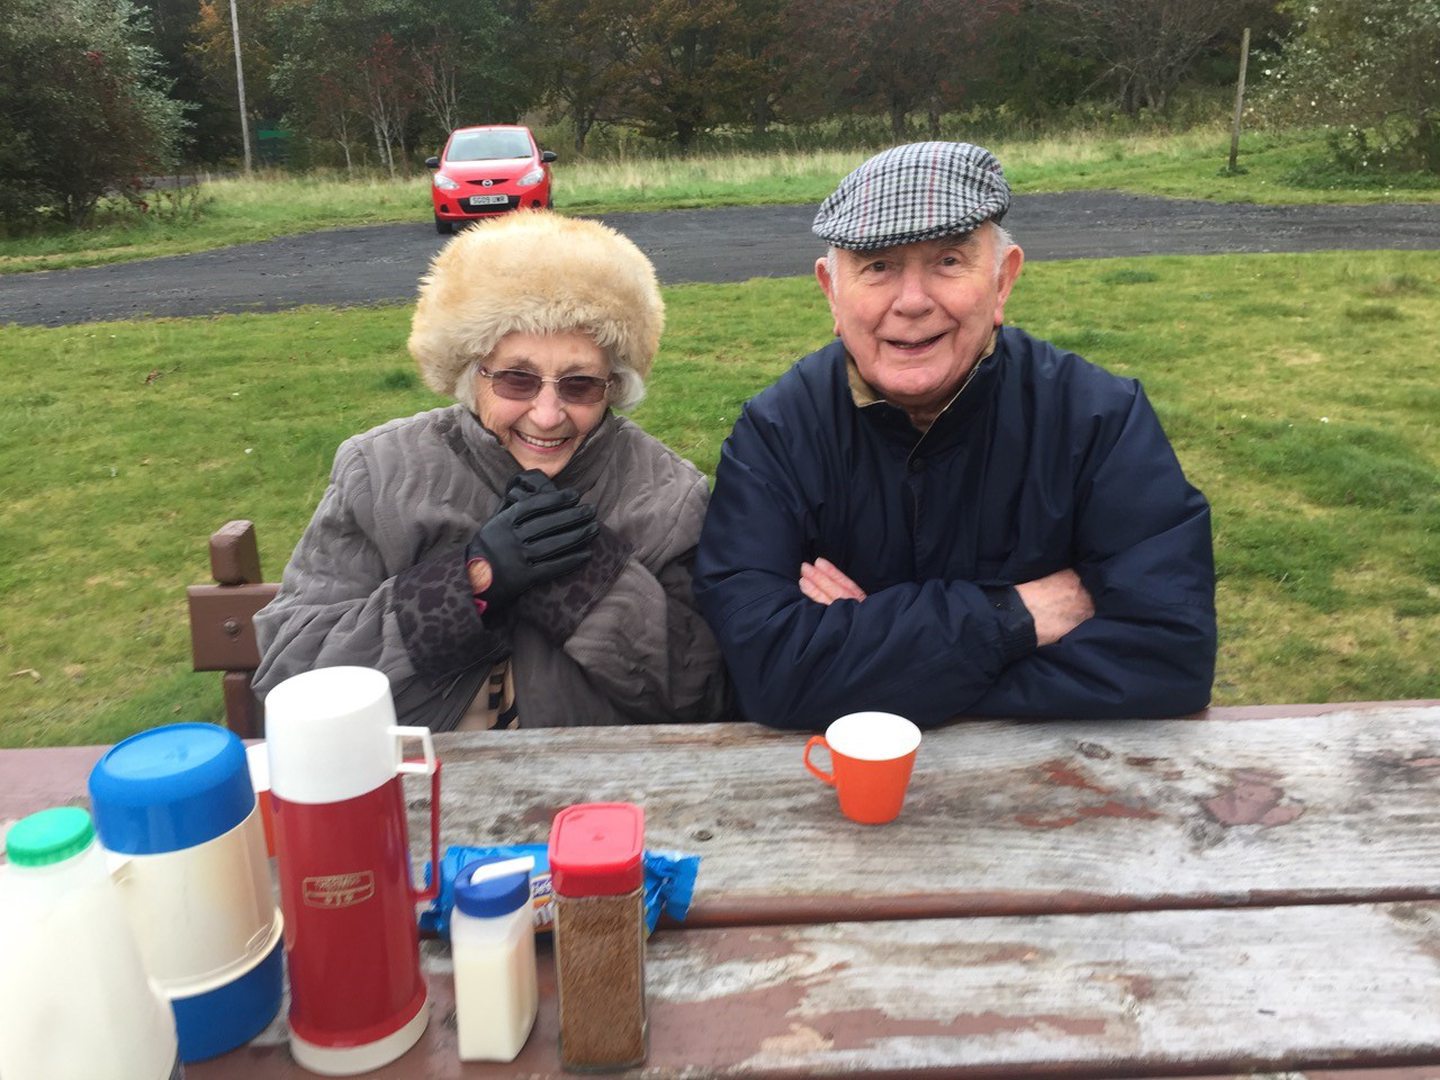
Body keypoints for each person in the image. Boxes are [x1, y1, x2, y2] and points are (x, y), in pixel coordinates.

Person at [694, 141, 1216, 730]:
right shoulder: (776, 435)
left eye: (947, 260)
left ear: (1003, 281)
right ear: (831, 292)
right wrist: (1016, 618)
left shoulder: (1100, 421)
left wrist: (875, 662)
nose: (912, 302)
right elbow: (767, 672)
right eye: (878, 266)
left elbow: (1170, 657)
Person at [253, 211, 730, 730]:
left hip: (599, 777)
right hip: (418, 774)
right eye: (516, 379)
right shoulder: (381, 471)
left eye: (579, 385)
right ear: (468, 373)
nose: (546, 415)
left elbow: (706, 696)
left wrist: (587, 583)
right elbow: (292, 672)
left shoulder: (666, 495)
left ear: (612, 387)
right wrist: (471, 582)